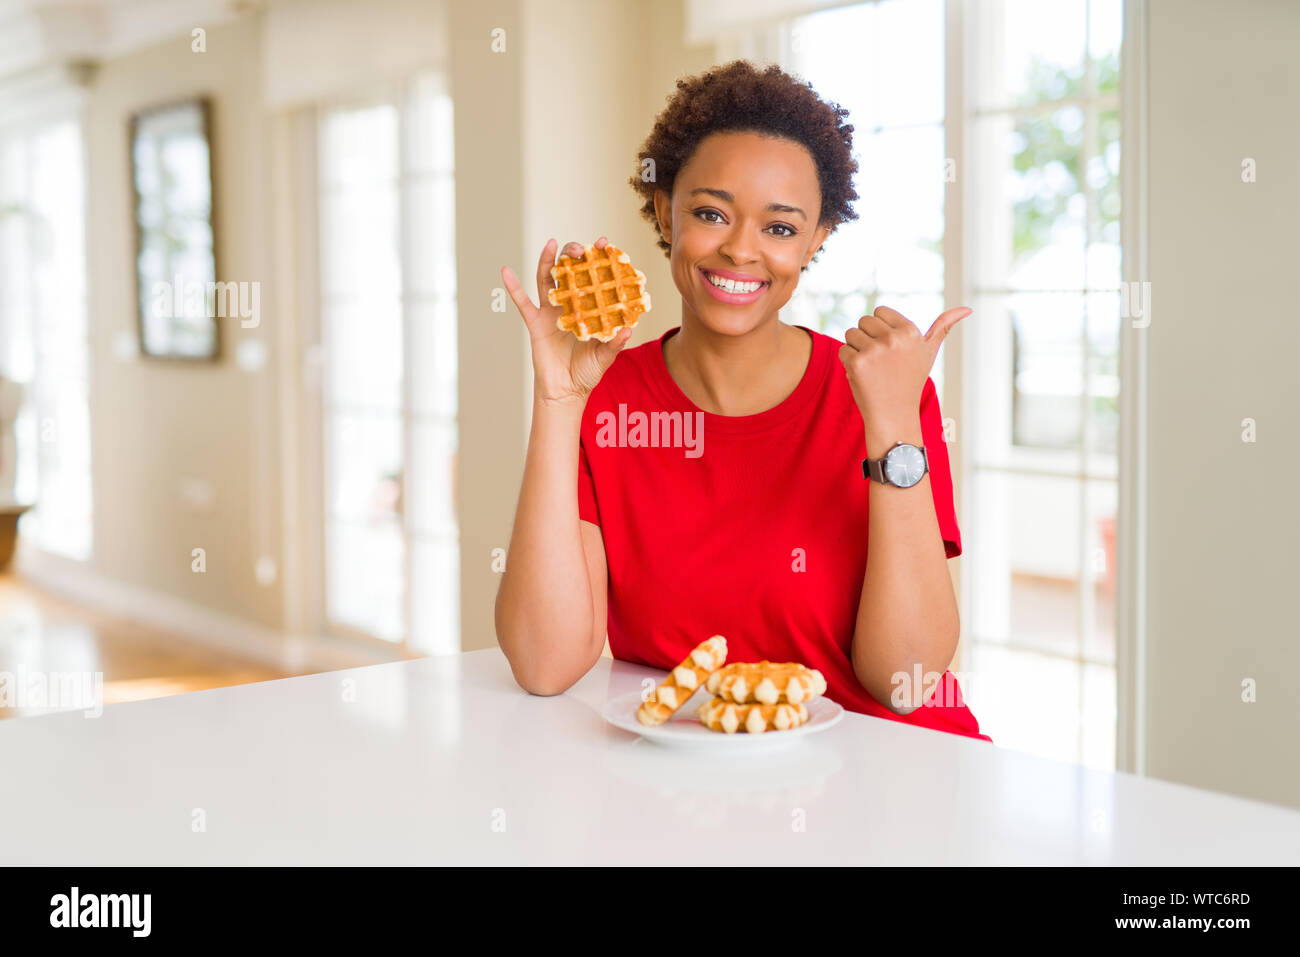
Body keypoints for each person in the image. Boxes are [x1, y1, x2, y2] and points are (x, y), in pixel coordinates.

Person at [497, 60, 990, 743]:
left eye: (780, 228)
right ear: (665, 210)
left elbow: (905, 678)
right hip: (698, 784)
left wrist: (892, 426)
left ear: (816, 240)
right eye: (710, 212)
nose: (739, 250)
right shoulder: (604, 399)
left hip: (889, 770)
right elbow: (545, 663)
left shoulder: (886, 397)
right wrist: (557, 398)